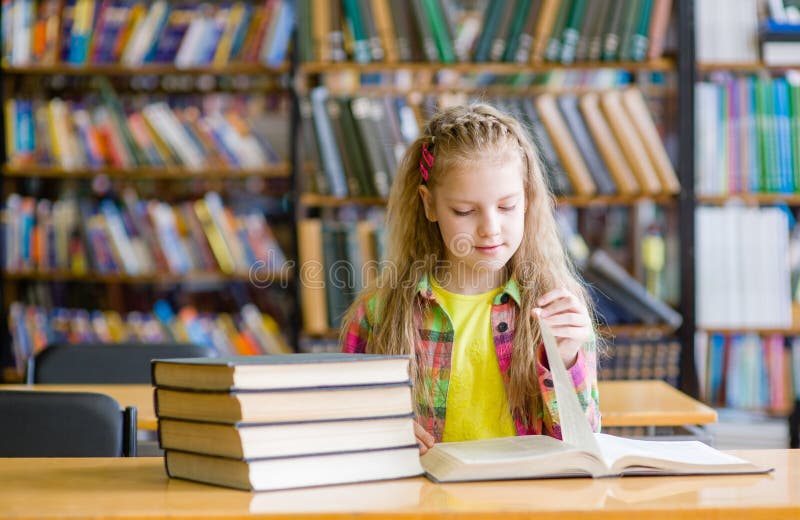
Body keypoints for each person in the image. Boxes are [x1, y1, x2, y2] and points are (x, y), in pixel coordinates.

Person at [341, 103, 600, 455]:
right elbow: (345, 430)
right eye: (464, 211)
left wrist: (567, 359)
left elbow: (583, 444)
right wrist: (380, 434)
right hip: (425, 505)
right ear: (429, 205)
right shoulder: (378, 314)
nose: (490, 229)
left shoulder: (558, 308)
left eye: (507, 206)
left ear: (528, 199)